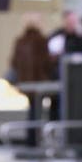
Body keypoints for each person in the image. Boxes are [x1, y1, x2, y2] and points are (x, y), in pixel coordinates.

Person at [9, 16, 51, 146]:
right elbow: (46, 63)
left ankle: (31, 139)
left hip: (25, 84)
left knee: (32, 110)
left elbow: (14, 62)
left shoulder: (20, 41)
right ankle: (36, 140)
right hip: (39, 84)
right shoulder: (42, 41)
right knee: (37, 111)